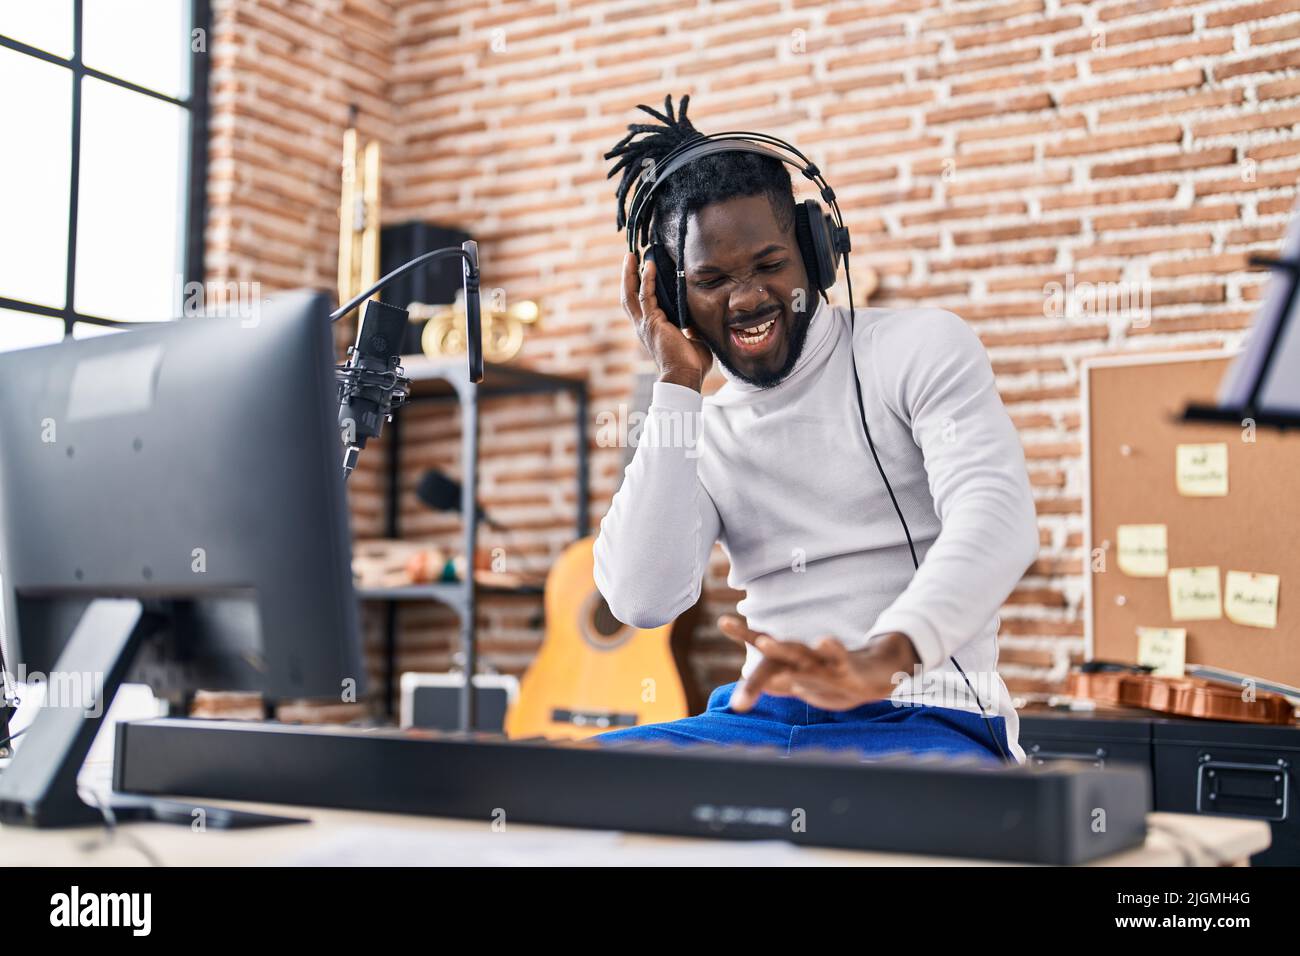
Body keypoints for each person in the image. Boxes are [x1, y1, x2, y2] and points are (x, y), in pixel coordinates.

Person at [592, 95, 1039, 762]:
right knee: (577, 781)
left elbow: (998, 517)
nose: (746, 300)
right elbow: (640, 598)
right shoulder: (696, 426)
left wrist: (887, 655)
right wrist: (677, 383)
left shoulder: (919, 349)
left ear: (817, 252)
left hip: (926, 714)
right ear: (673, 295)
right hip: (761, 719)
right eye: (711, 279)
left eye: (770, 265)